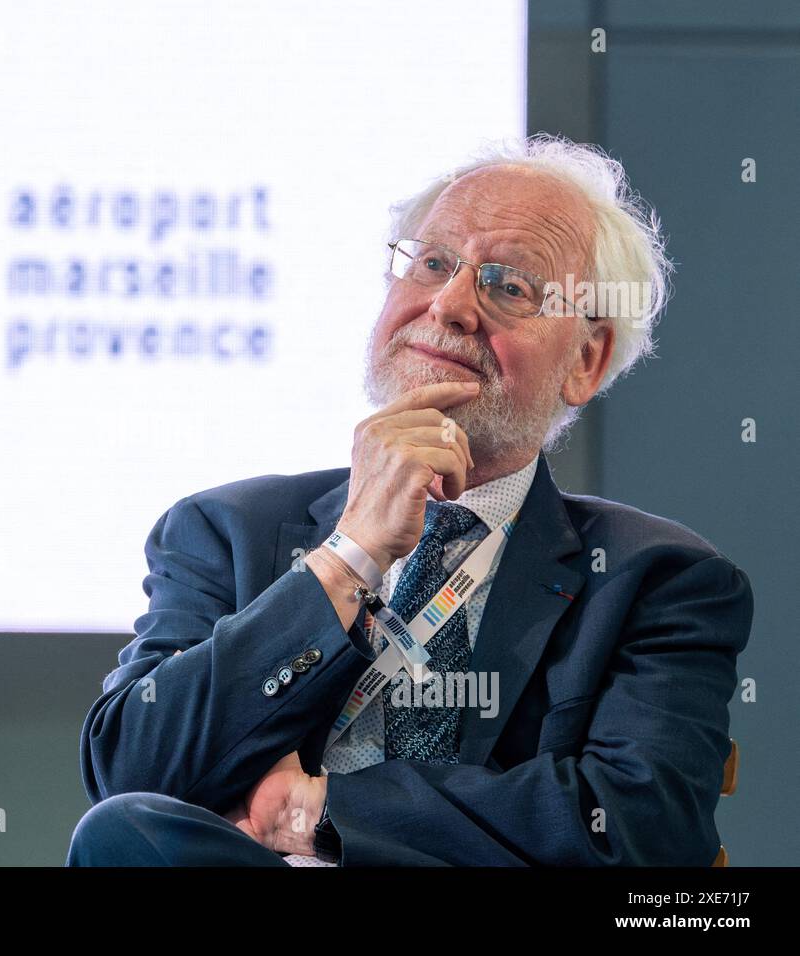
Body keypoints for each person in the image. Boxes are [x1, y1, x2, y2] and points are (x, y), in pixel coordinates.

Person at [66, 135, 753, 866]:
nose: (450, 306)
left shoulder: (656, 580)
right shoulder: (224, 530)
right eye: (431, 263)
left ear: (585, 361)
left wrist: (318, 811)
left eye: (509, 287)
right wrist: (349, 554)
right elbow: (132, 772)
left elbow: (638, 828)